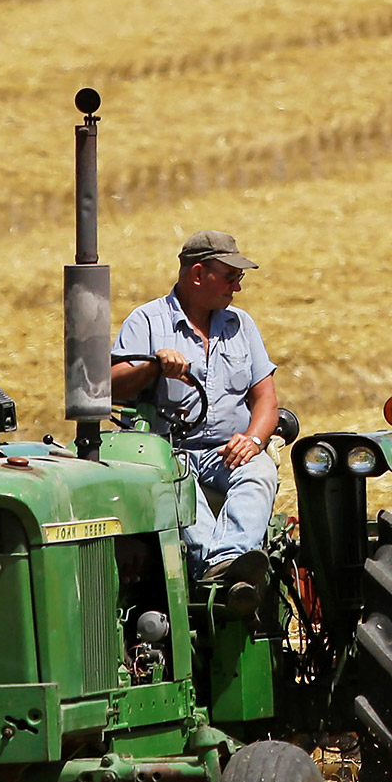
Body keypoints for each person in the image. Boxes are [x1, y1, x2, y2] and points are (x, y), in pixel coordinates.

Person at [110, 230, 280, 586]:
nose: (237, 288)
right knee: (176, 481)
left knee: (260, 471)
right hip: (168, 452)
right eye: (231, 277)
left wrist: (253, 439)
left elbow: (265, 399)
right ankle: (218, 571)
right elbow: (110, 384)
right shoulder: (147, 321)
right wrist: (153, 367)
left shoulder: (241, 325)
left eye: (240, 278)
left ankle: (229, 562)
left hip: (227, 451)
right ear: (198, 274)